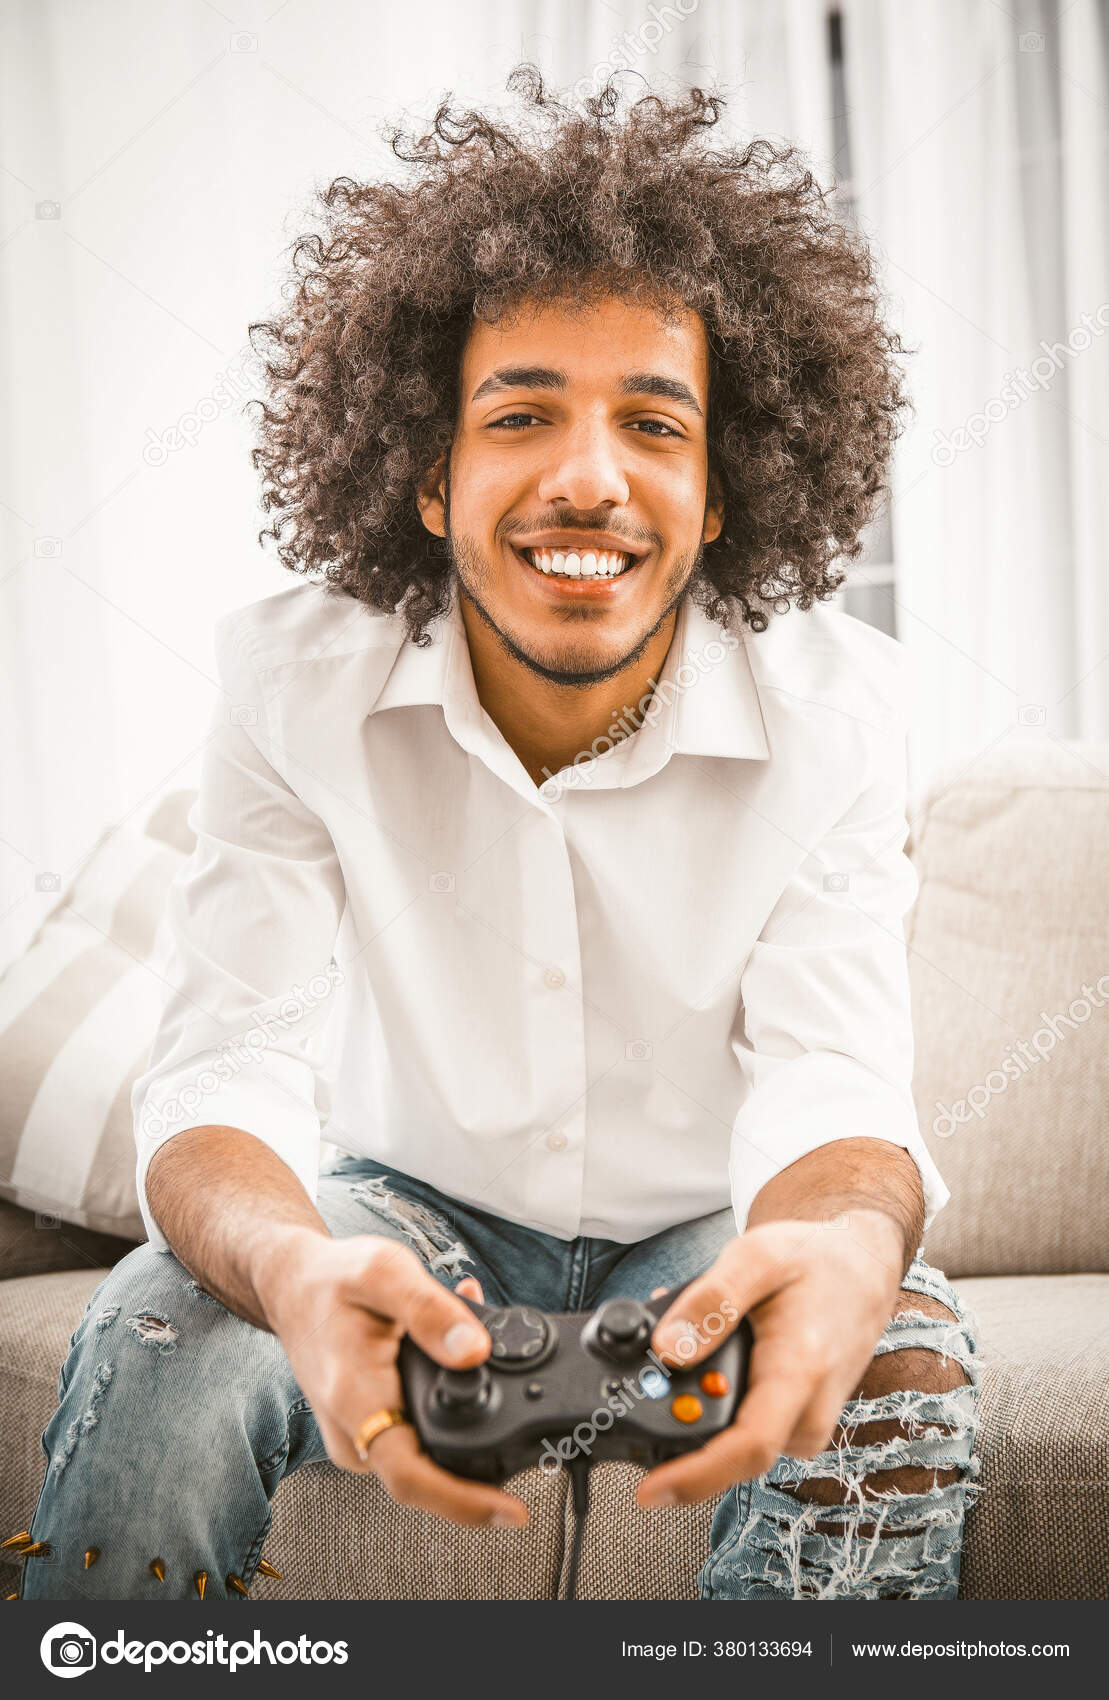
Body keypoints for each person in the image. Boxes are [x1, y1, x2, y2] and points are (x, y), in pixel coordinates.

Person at [15, 69, 981, 1604]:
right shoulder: (288, 677)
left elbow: (831, 1073)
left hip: (703, 1231)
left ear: (720, 491)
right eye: (520, 411)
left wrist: (855, 1250)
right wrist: (293, 1264)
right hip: (404, 1209)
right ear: (424, 469)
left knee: (902, 1345)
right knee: (161, 1324)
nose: (588, 478)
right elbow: (224, 1060)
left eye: (652, 423)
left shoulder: (839, 709)